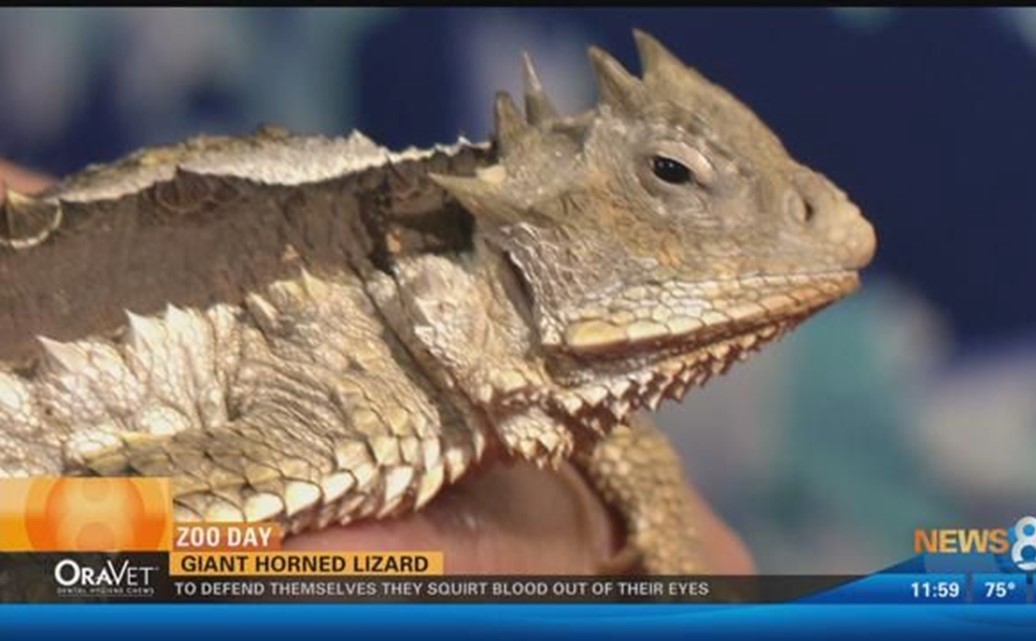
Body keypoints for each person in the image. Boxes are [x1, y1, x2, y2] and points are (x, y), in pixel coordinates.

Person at [0, 160, 755, 575]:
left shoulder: (462, 337)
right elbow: (70, 527)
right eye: (670, 179)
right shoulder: (360, 392)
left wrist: (662, 522)